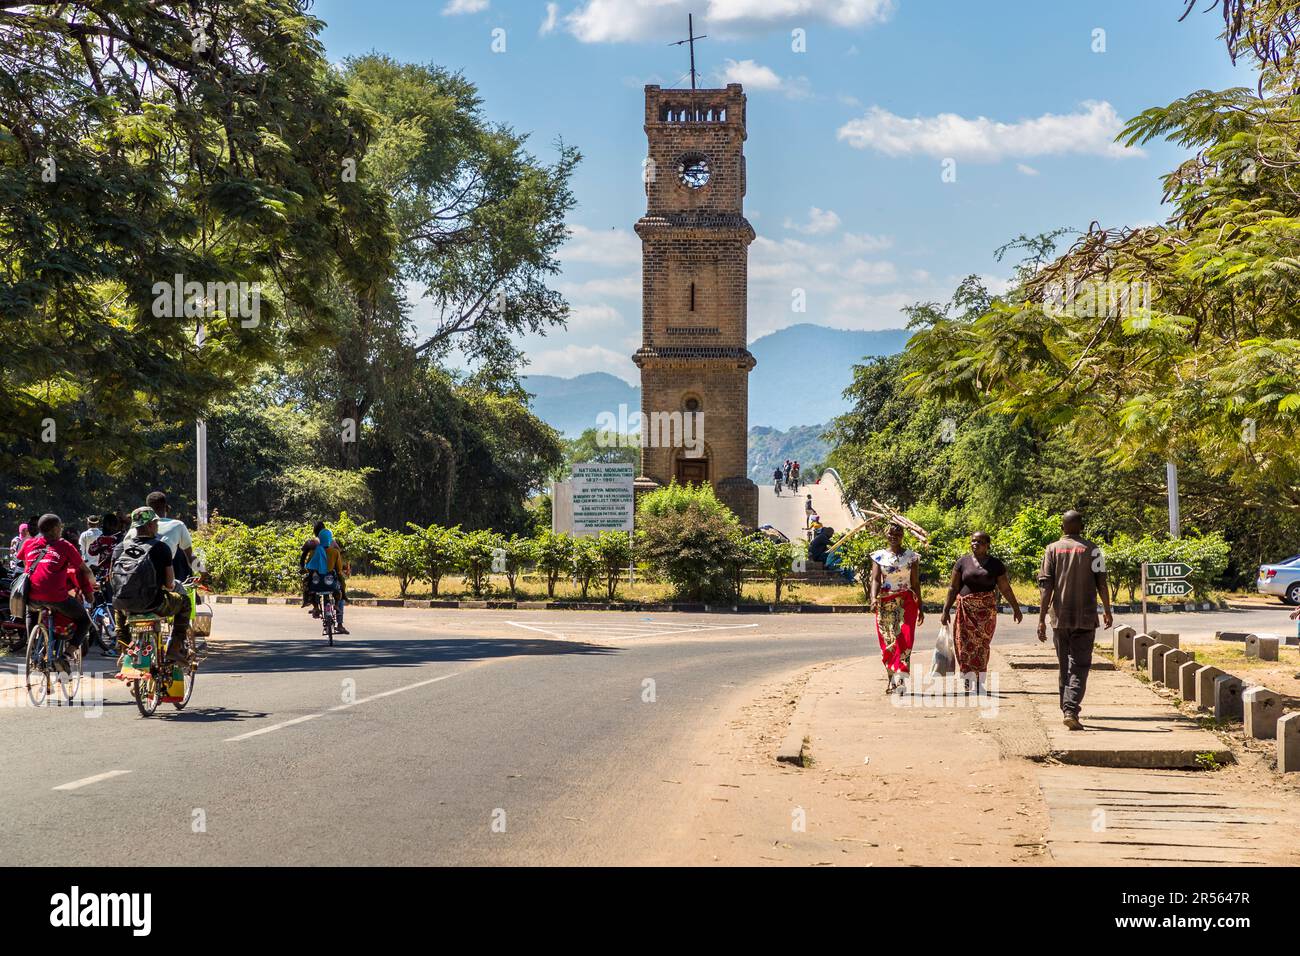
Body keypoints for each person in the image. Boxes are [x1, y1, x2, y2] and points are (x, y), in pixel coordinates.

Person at [1037, 510, 1113, 731]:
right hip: (1086, 617)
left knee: (1064, 666)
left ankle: (1067, 709)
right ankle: (1070, 710)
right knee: (1079, 665)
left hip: (1059, 618)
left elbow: (1046, 587)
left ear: (1062, 527)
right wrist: (1107, 610)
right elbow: (1102, 583)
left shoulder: (1051, 549)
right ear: (1081, 526)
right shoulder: (1093, 549)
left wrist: (1042, 618)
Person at [941, 532, 1023, 692]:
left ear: (987, 545)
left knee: (982, 645)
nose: (975, 544)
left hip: (986, 613)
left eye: (980, 541)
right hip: (965, 610)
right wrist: (945, 610)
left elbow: (1005, 588)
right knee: (963, 644)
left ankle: (979, 680)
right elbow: (953, 587)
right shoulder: (962, 562)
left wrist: (1016, 608)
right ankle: (967, 678)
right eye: (973, 541)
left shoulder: (995, 564)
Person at [112, 507, 190, 663]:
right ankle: (175, 648)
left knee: (118, 606)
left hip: (126, 605)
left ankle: (124, 647)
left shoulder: (120, 548)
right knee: (185, 603)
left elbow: (112, 580)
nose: (157, 526)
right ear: (149, 525)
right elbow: (169, 584)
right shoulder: (161, 547)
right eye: (155, 523)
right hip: (155, 604)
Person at [17, 514, 95, 663]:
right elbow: (85, 570)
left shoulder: (28, 543)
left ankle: (33, 647)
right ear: (55, 529)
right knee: (85, 620)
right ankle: (67, 655)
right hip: (57, 598)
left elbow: (21, 558)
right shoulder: (65, 546)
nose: (61, 529)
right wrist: (92, 588)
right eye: (60, 526)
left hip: (32, 596)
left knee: (31, 612)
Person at [869, 523, 924, 693]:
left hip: (907, 602)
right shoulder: (879, 557)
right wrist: (873, 598)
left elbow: (915, 582)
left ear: (902, 536)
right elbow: (876, 580)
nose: (894, 536)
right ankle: (891, 679)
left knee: (904, 639)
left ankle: (901, 679)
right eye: (891, 533)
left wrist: (920, 606)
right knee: (888, 641)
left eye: (898, 533)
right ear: (886, 535)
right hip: (885, 602)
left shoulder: (911, 557)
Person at [125, 492, 194, 582]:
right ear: (167, 508)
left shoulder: (133, 530)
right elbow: (191, 557)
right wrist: (203, 573)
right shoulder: (178, 525)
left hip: (132, 580)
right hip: (161, 581)